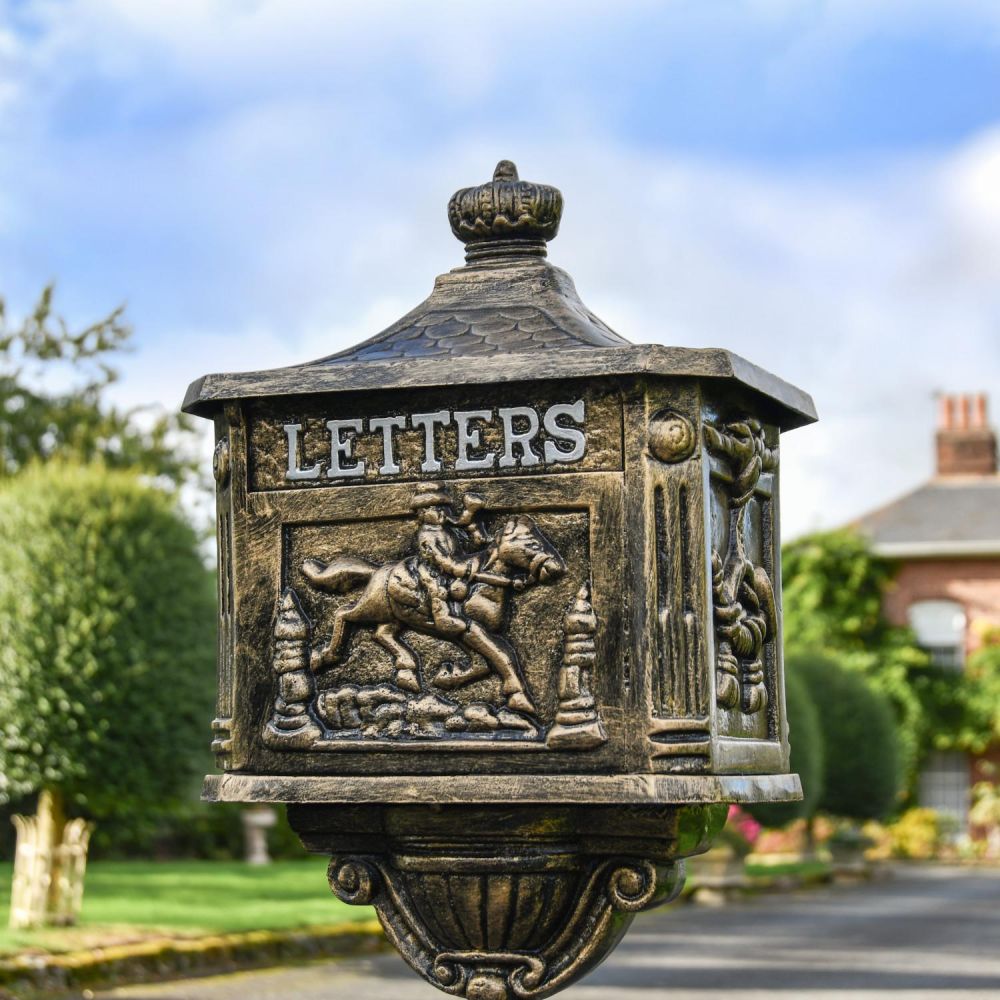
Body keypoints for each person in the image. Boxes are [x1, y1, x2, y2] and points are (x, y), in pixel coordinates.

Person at [409, 484, 487, 636]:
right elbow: (438, 558)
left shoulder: (449, 530)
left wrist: (476, 536)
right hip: (435, 570)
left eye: (444, 508)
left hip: (457, 566)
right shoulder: (426, 535)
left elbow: (466, 547)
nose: (442, 513)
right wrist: (453, 567)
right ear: (423, 513)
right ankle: (442, 616)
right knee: (437, 589)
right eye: (435, 509)